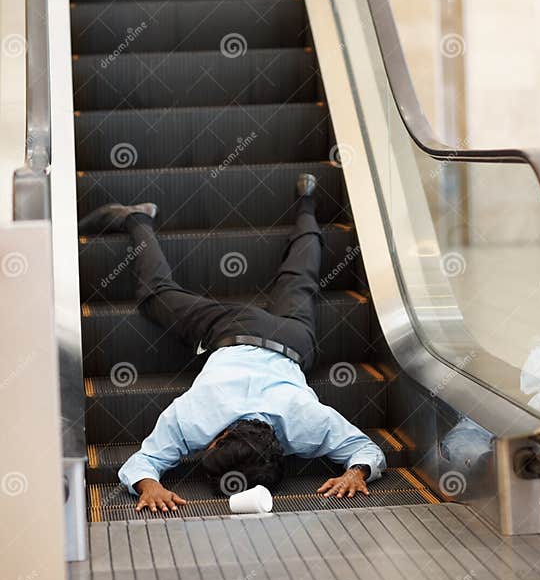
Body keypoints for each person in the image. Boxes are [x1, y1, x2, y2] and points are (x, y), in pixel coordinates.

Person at [80, 174, 386, 513]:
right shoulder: (194, 418)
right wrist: (149, 487)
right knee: (157, 296)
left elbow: (366, 451)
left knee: (301, 278)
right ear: (220, 438)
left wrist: (356, 472)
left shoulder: (306, 421)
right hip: (231, 329)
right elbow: (144, 461)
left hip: (290, 339)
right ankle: (138, 219)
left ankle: (307, 201)